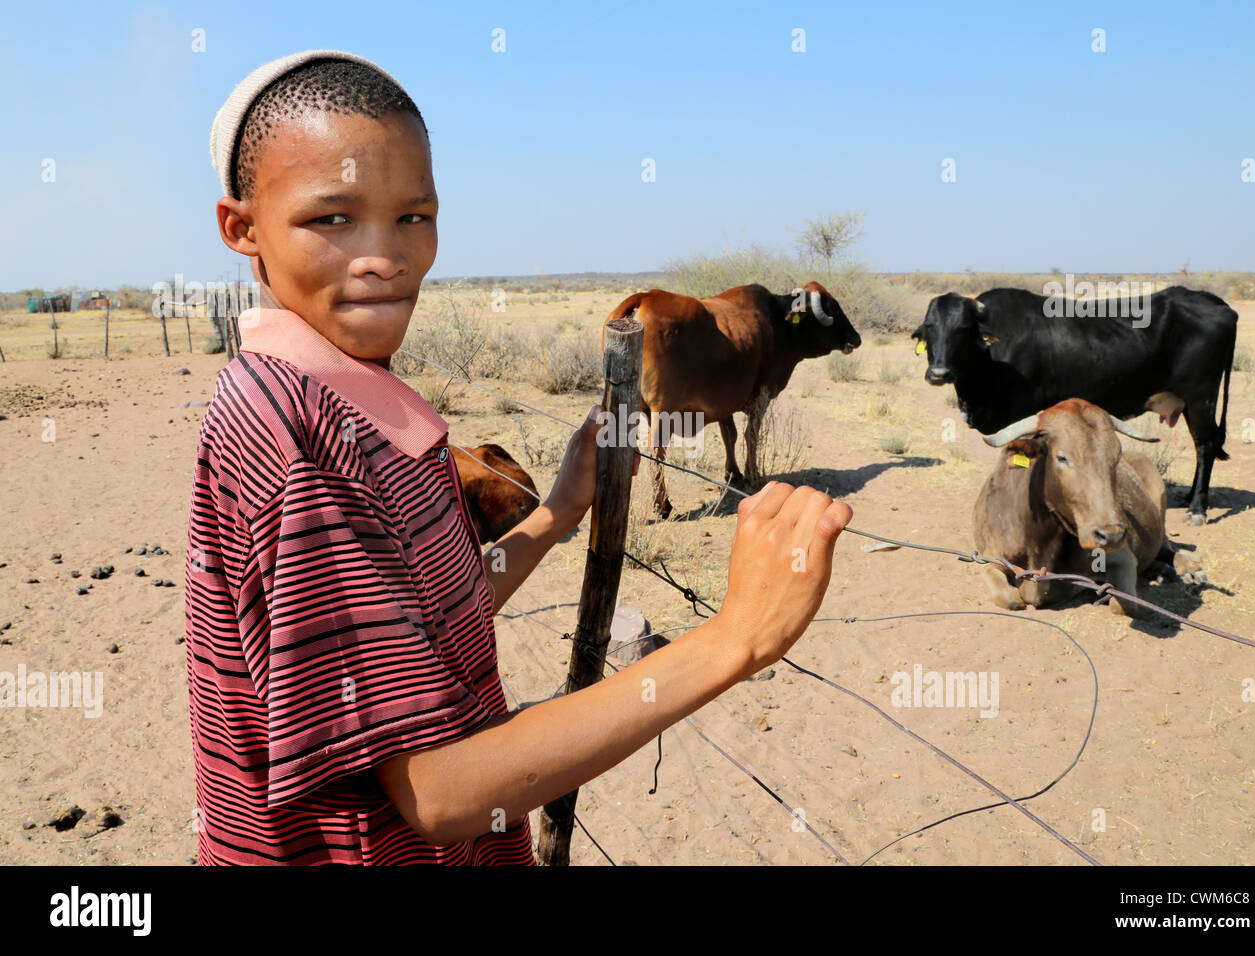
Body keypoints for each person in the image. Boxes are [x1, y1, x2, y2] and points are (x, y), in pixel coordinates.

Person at [186, 49, 851, 865]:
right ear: (241, 227)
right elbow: (438, 793)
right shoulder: (299, 438)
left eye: (413, 217)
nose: (383, 255)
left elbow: (428, 625)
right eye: (332, 218)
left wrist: (557, 510)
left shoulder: (355, 403)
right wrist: (736, 637)